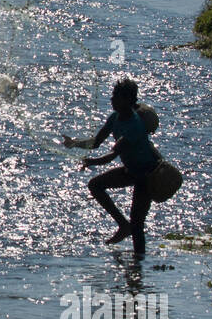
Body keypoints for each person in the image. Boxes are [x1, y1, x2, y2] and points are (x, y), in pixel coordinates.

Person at [61, 78, 159, 257]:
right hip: (131, 171)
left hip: (146, 175)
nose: (112, 100)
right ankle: (123, 225)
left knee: (137, 223)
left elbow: (111, 156)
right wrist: (74, 143)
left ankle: (139, 265)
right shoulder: (115, 117)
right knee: (95, 185)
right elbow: (96, 142)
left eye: (116, 97)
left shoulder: (134, 126)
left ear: (128, 101)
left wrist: (91, 162)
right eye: (113, 96)